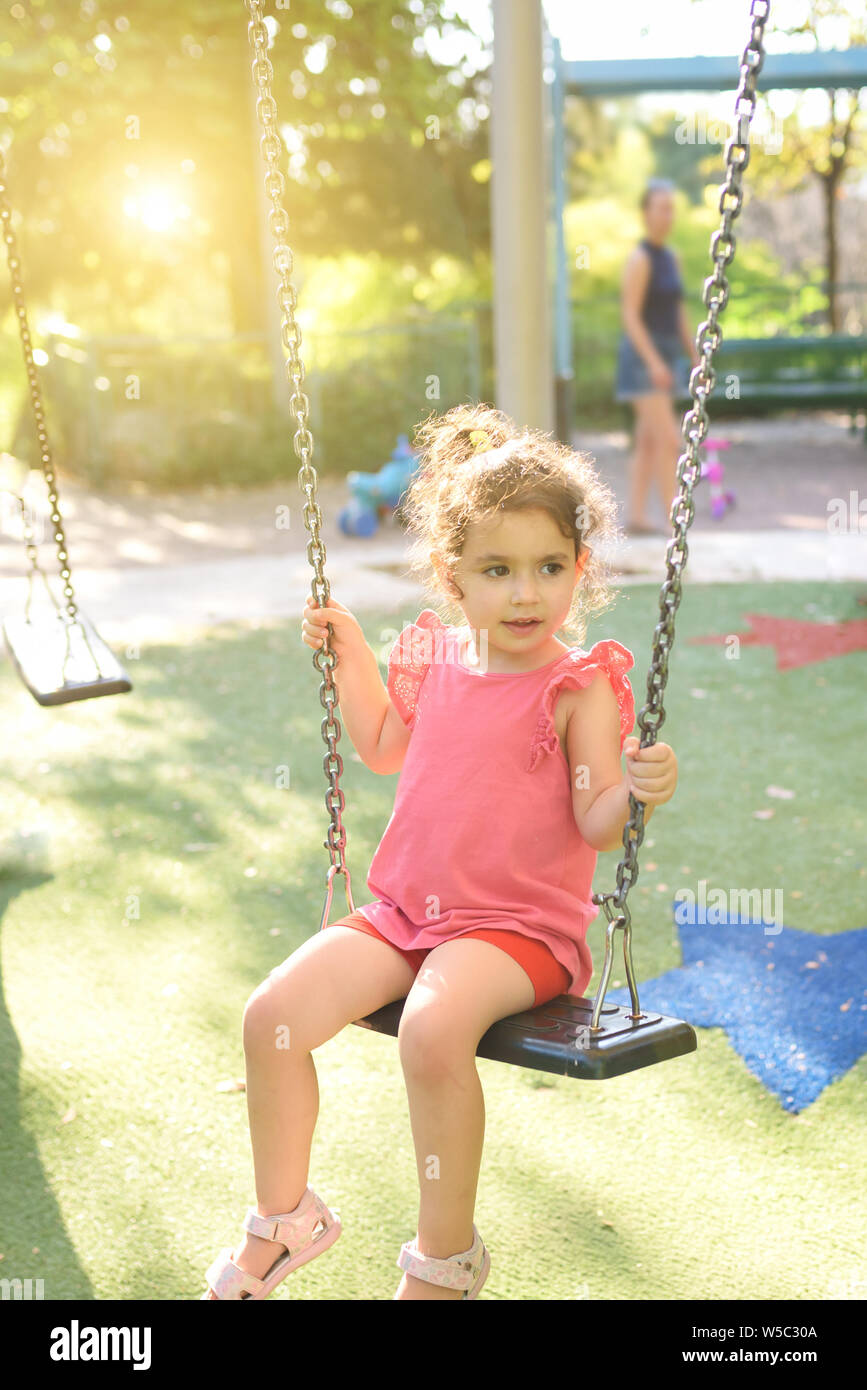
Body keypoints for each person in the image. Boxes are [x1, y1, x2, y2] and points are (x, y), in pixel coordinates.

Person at [201, 403, 679, 1301]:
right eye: (497, 571)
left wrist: (636, 789)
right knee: (271, 1017)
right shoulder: (433, 657)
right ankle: (284, 1221)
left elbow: (595, 822)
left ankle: (444, 1263)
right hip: (406, 913)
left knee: (429, 1031)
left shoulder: (578, 688)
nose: (525, 594)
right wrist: (351, 656)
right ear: (451, 574)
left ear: (580, 569)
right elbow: (385, 746)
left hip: (515, 932)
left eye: (548, 569)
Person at [615, 178, 700, 535]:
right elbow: (630, 316)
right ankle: (671, 520)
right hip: (642, 359)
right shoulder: (640, 259)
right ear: (646, 213)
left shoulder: (672, 258)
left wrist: (695, 356)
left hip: (666, 354)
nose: (667, 215)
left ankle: (635, 517)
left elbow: (678, 312)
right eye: (661, 208)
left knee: (650, 441)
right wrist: (653, 362)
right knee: (668, 438)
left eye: (671, 209)